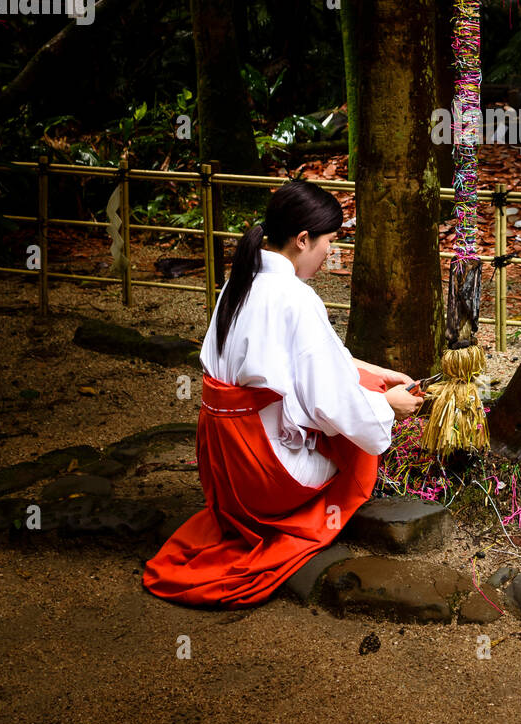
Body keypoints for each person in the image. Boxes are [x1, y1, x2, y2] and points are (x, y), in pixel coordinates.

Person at [143, 179, 423, 607]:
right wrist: (387, 404)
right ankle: (306, 515)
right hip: (264, 475)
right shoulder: (295, 297)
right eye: (329, 241)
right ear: (303, 239)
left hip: (223, 464)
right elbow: (330, 401)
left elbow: (317, 359)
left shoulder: (240, 283)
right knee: (361, 427)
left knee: (362, 388)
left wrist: (377, 373)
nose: (332, 252)